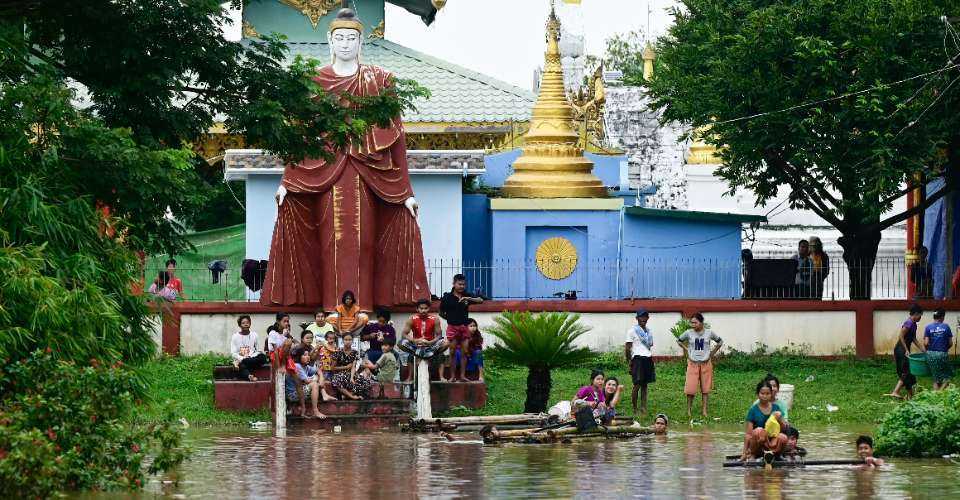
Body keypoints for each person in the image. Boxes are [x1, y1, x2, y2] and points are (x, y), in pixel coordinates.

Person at [259, 7, 430, 311]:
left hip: (367, 173)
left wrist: (405, 192)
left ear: (361, 41)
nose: (346, 43)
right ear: (329, 40)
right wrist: (287, 181)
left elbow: (396, 138)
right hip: (325, 172)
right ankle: (329, 309)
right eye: (340, 37)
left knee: (364, 242)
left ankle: (363, 309)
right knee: (330, 242)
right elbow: (301, 136)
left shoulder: (379, 80)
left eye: (352, 37)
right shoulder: (314, 81)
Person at [677, 313, 723, 418]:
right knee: (690, 388)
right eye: (691, 322)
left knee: (705, 389)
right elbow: (679, 340)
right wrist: (686, 349)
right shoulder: (688, 333)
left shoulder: (709, 333)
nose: (692, 325)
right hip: (692, 363)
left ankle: (704, 411)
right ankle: (689, 411)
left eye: (695, 322)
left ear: (701, 323)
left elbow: (720, 341)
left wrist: (712, 353)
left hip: (706, 363)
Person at [439, 274, 483, 381]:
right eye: (459, 284)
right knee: (452, 352)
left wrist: (468, 298)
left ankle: (463, 376)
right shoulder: (447, 297)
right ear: (454, 284)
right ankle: (453, 376)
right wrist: (450, 319)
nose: (462, 286)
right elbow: (441, 312)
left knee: (464, 352)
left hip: (464, 328)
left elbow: (480, 300)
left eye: (463, 284)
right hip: (452, 327)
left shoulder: (467, 295)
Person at [399, 299, 448, 382]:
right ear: (417, 309)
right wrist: (415, 340)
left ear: (429, 308)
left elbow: (439, 335)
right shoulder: (412, 318)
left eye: (425, 308)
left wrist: (430, 342)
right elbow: (404, 334)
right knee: (401, 343)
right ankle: (410, 377)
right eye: (421, 308)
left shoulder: (435, 319)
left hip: (430, 346)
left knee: (446, 343)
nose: (423, 310)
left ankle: (441, 376)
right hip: (416, 346)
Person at [740, 380, 788, 461]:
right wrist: (744, 453)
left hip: (773, 442)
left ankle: (777, 455)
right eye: (762, 393)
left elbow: (783, 429)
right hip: (758, 444)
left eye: (767, 394)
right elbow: (748, 434)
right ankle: (753, 454)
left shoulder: (776, 408)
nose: (765, 396)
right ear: (758, 394)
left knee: (783, 437)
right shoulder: (753, 410)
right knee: (759, 431)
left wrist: (780, 419)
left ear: (771, 394)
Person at [887, 304, 923, 399]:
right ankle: (899, 392)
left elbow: (913, 339)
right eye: (920, 315)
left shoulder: (914, 324)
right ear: (915, 314)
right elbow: (901, 336)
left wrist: (923, 349)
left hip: (904, 350)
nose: (920, 318)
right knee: (906, 372)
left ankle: (908, 394)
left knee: (908, 371)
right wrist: (906, 349)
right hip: (901, 350)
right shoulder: (909, 323)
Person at [625, 308, 655, 415]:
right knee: (637, 385)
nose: (643, 319)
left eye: (645, 317)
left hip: (647, 359)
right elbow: (628, 348)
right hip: (637, 360)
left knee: (645, 385)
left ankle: (643, 408)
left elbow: (649, 346)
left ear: (648, 318)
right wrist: (630, 362)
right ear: (637, 318)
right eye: (641, 316)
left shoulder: (649, 332)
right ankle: (634, 409)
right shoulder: (632, 331)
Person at [286, 346, 326, 419]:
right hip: (293, 394)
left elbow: (318, 370)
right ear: (298, 357)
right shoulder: (297, 366)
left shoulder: (306, 366)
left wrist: (320, 377)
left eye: (308, 355)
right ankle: (315, 410)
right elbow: (307, 381)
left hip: (301, 391)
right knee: (314, 384)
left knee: (317, 379)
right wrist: (317, 379)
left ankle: (325, 395)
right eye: (304, 355)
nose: (308, 357)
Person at [330, 333, 373, 400]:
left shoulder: (354, 352)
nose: (348, 341)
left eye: (350, 340)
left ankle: (348, 394)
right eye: (346, 340)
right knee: (336, 381)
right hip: (339, 374)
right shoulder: (338, 352)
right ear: (343, 341)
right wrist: (346, 367)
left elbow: (353, 367)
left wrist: (352, 378)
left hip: (350, 373)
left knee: (367, 382)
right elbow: (332, 368)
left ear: (352, 341)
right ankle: (351, 396)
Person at [924, 308, 954, 390]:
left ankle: (936, 396)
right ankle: (940, 393)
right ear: (942, 317)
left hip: (931, 354)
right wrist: (944, 349)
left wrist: (929, 350)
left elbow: (926, 343)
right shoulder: (946, 327)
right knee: (947, 376)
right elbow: (950, 343)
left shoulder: (928, 327)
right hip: (942, 354)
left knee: (935, 378)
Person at [231, 315, 267, 381]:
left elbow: (258, 350)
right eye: (243, 323)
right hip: (242, 359)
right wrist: (242, 358)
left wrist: (250, 357)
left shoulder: (254, 335)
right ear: (239, 325)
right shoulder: (235, 336)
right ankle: (249, 376)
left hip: (252, 359)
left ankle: (238, 364)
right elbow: (233, 353)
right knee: (241, 365)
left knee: (263, 357)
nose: (246, 324)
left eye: (247, 322)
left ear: (250, 324)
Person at [465, 318, 484, 382]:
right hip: (465, 356)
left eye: (474, 326)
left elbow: (479, 347)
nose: (473, 328)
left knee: (478, 353)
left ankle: (481, 375)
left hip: (474, 355)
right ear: (466, 327)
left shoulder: (477, 335)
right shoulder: (463, 335)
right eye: (471, 326)